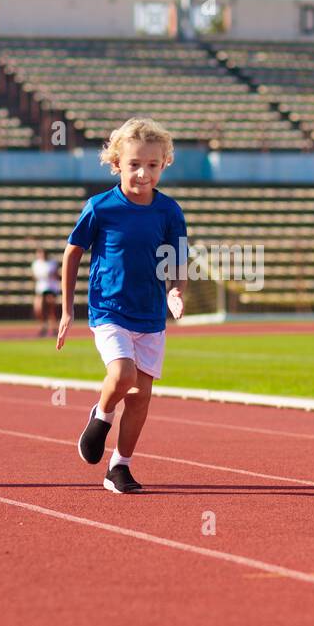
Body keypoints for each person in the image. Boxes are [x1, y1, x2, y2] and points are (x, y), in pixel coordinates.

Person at [57, 118, 187, 494]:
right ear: (117, 164)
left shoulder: (169, 212)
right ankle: (100, 416)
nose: (143, 173)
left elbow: (178, 260)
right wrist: (68, 310)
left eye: (152, 165)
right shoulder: (101, 207)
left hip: (150, 313)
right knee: (124, 376)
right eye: (134, 165)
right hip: (109, 308)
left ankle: (120, 466)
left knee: (142, 395)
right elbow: (72, 253)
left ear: (164, 164)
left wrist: (175, 291)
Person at [30, 248, 61, 337]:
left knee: (51, 309)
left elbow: (57, 275)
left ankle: (54, 327)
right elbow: (34, 277)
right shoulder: (36, 264)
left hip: (51, 288)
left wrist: (52, 275)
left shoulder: (52, 263)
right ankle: (43, 325)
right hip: (40, 288)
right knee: (38, 308)